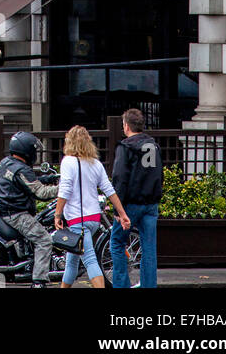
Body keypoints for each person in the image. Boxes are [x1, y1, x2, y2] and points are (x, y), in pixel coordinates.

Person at [54, 125, 130, 289]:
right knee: (72, 259)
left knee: (89, 259)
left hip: (76, 219)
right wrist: (122, 213)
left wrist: (58, 214)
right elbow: (109, 190)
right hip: (94, 219)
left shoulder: (68, 161)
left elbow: (65, 189)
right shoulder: (95, 163)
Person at [0, 130, 60, 288]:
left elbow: (23, 182)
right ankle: (39, 281)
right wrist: (63, 188)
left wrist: (47, 178)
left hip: (4, 210)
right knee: (44, 240)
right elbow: (41, 192)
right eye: (34, 150)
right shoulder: (22, 169)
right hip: (15, 214)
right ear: (27, 150)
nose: (35, 153)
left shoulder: (6, 162)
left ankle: (27, 262)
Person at [110, 107, 163, 288]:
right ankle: (149, 285)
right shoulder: (153, 145)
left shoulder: (126, 147)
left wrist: (118, 208)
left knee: (117, 243)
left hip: (131, 204)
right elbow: (159, 174)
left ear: (126, 126)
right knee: (149, 248)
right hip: (150, 204)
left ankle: (121, 285)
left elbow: (120, 179)